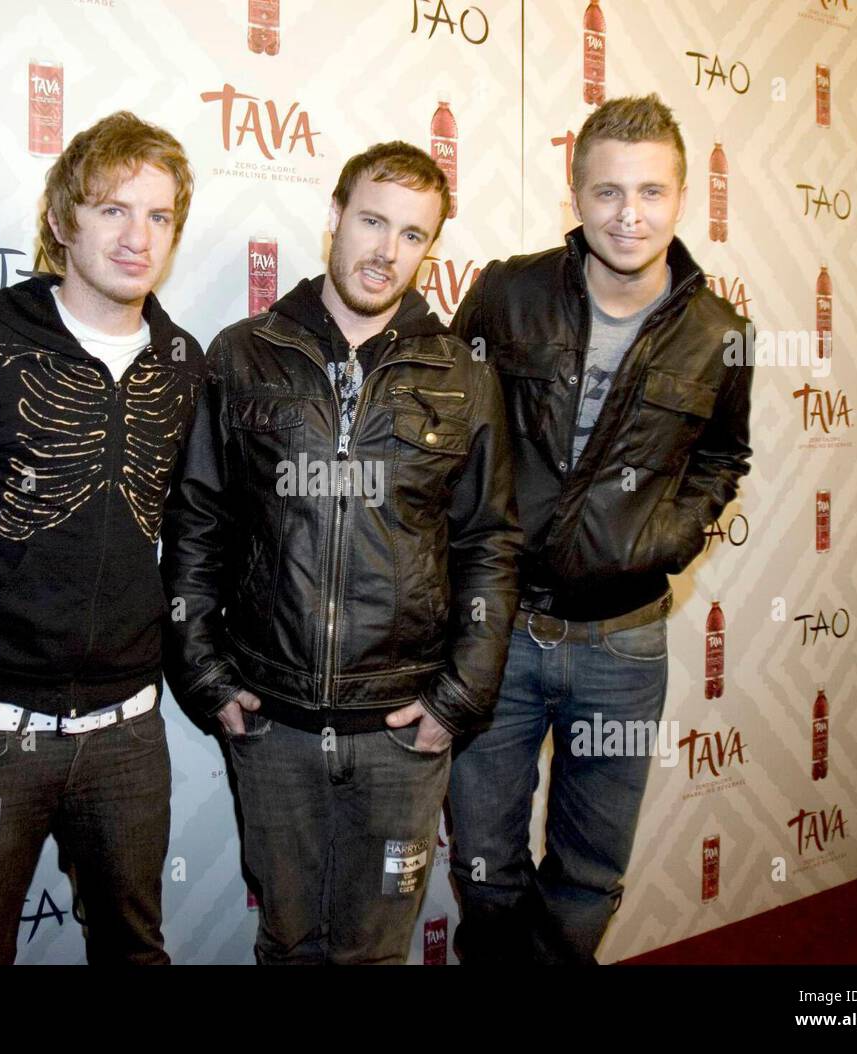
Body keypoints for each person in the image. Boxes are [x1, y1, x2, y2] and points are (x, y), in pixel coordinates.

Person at [162, 141, 520, 965]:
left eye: (413, 234)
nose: (387, 251)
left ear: (430, 248)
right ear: (334, 215)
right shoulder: (243, 354)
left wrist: (459, 697)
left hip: (402, 725)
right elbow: (197, 524)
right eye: (372, 221)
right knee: (288, 942)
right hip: (274, 719)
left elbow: (489, 544)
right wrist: (206, 674)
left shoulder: (463, 375)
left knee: (376, 951)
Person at [0, 111, 205, 965]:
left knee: (136, 951)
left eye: (158, 216)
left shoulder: (183, 365)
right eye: (112, 209)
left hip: (128, 730)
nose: (137, 238)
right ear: (61, 219)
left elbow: (197, 533)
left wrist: (195, 667)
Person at [447, 94, 754, 965]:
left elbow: (723, 455)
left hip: (624, 644)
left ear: (683, 198)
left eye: (652, 191)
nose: (630, 214)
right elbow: (445, 421)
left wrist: (666, 540)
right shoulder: (508, 292)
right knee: (484, 865)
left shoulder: (721, 334)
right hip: (497, 632)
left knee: (589, 874)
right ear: (576, 194)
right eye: (609, 191)